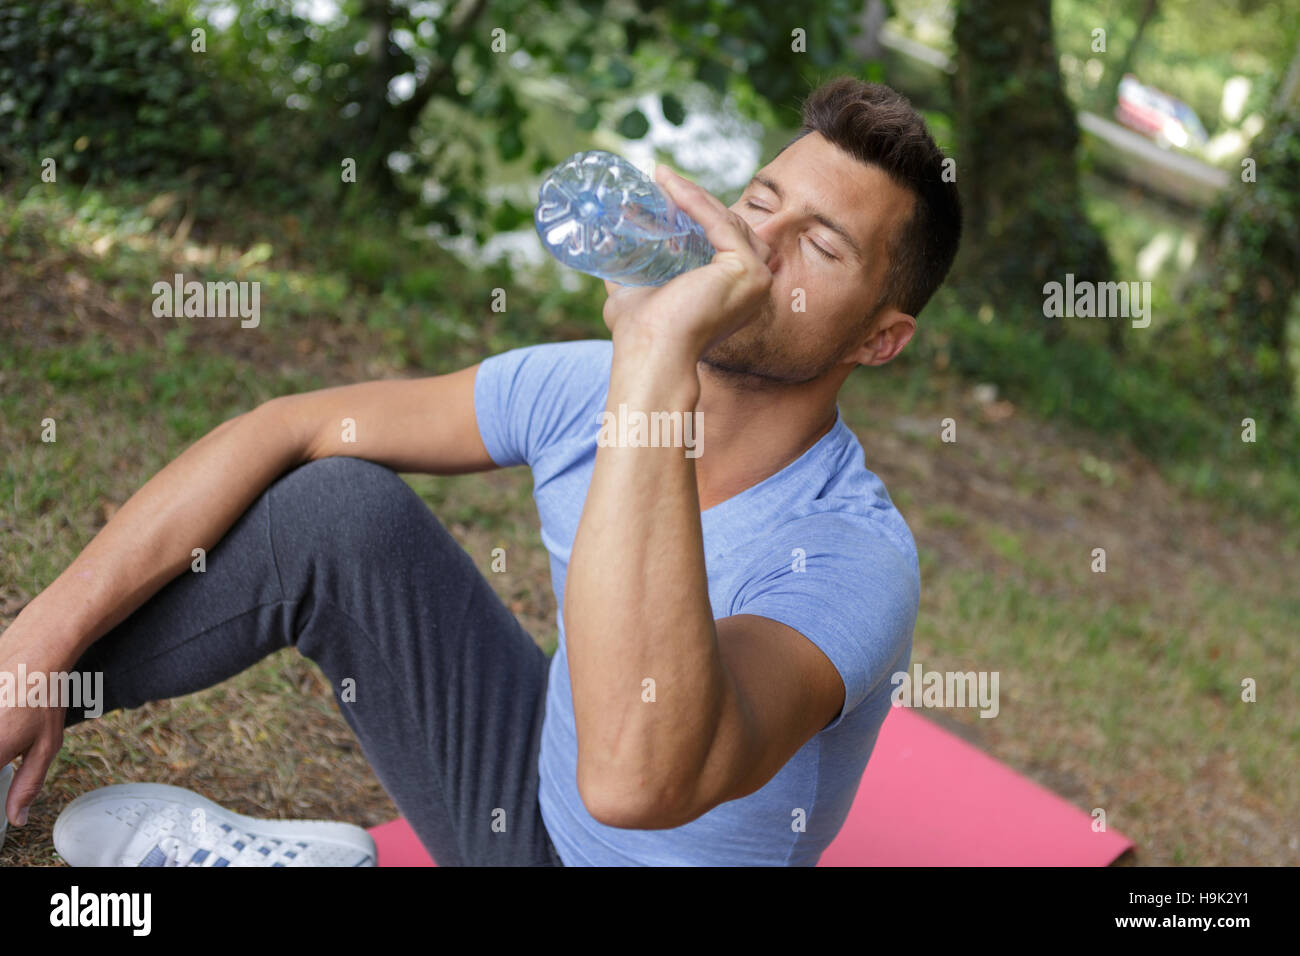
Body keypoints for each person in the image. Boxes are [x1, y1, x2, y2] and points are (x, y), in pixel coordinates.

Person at [0, 76, 961, 866]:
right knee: (338, 510)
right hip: (522, 809)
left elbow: (636, 784)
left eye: (821, 246)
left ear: (881, 339)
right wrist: (41, 646)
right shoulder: (587, 386)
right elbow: (289, 428)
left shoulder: (850, 557)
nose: (760, 245)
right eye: (760, 203)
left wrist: (654, 364)